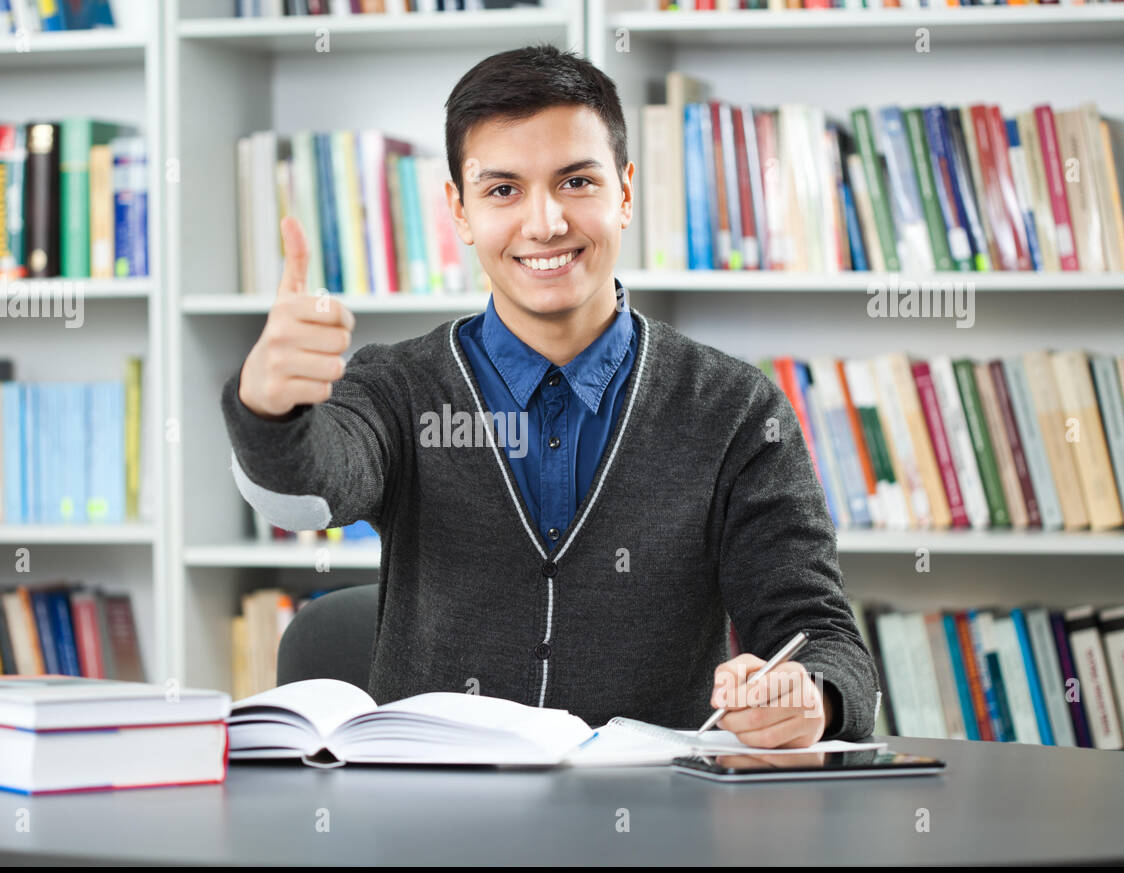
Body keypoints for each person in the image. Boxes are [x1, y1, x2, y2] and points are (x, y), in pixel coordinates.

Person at [221, 42, 880, 746]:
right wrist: (271, 405)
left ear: (625, 192)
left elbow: (823, 639)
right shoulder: (398, 387)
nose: (545, 224)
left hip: (658, 830)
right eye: (503, 189)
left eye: (576, 182)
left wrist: (809, 695)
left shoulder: (737, 411)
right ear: (461, 211)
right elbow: (308, 492)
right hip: (433, 824)